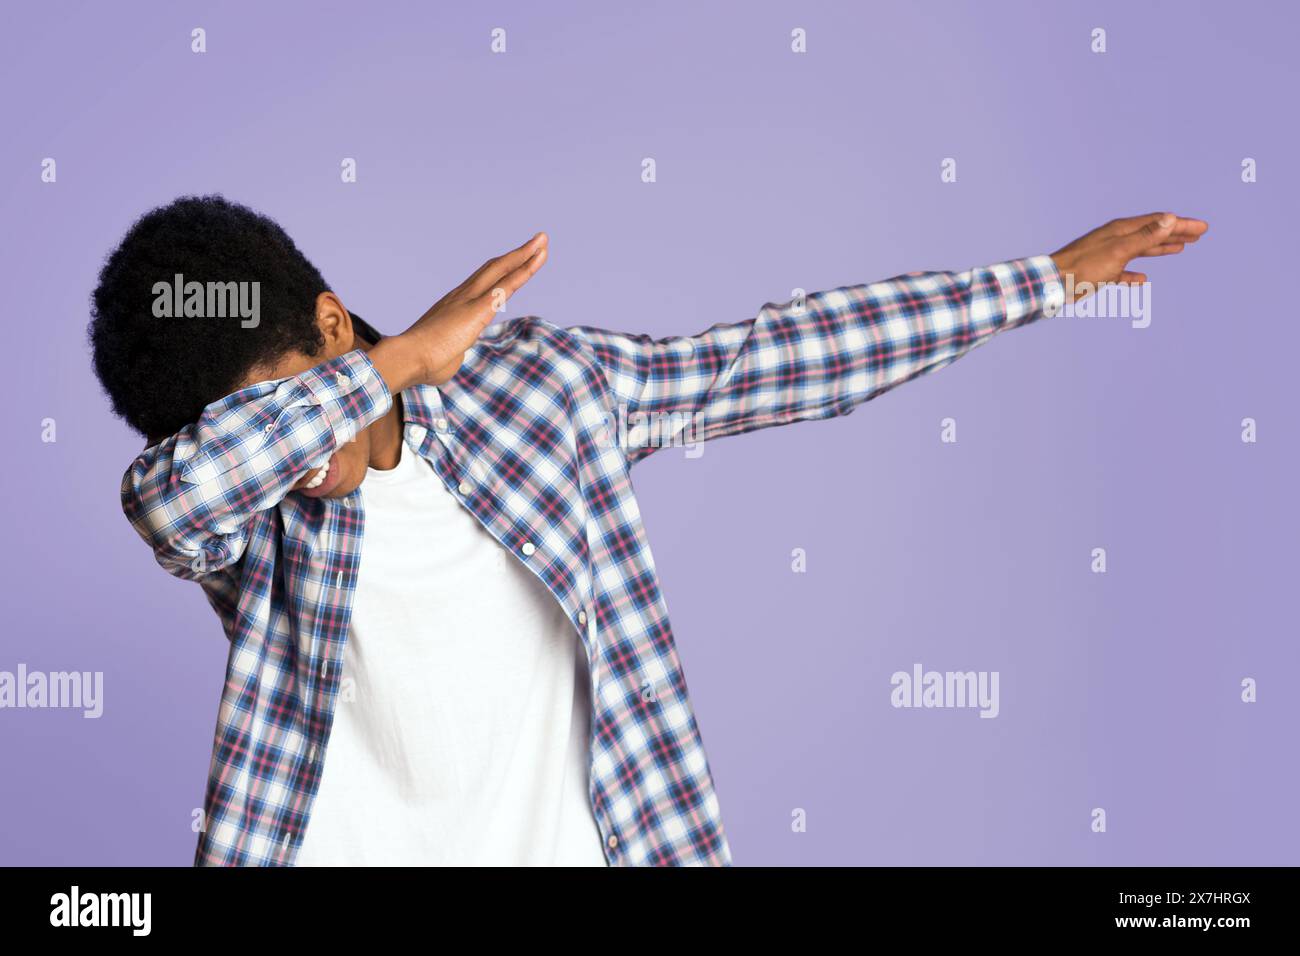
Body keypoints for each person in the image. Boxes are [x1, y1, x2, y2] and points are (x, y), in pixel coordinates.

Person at [89, 195, 1207, 866]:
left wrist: (1045, 280)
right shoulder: (243, 523)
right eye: (247, 429)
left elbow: (778, 358)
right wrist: (390, 362)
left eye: (277, 397)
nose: (291, 450)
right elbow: (169, 495)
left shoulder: (540, 393)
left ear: (328, 320)